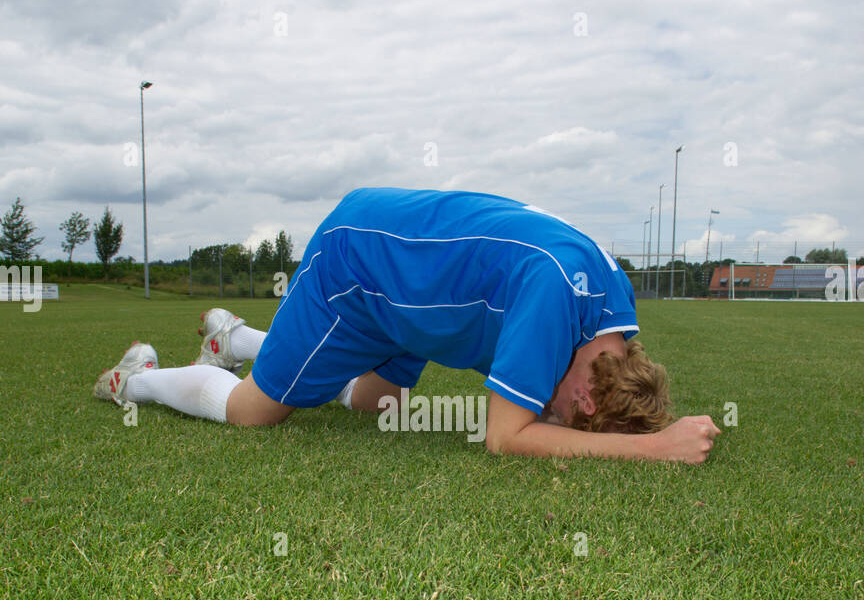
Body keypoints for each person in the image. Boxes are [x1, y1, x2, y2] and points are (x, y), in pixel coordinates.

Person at [94, 186, 720, 464]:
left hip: (408, 298)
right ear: (585, 393)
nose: (551, 416)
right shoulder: (555, 297)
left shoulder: (614, 308)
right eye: (565, 415)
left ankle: (231, 339)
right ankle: (138, 379)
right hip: (360, 264)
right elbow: (506, 438)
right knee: (255, 411)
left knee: (380, 403)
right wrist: (652, 449)